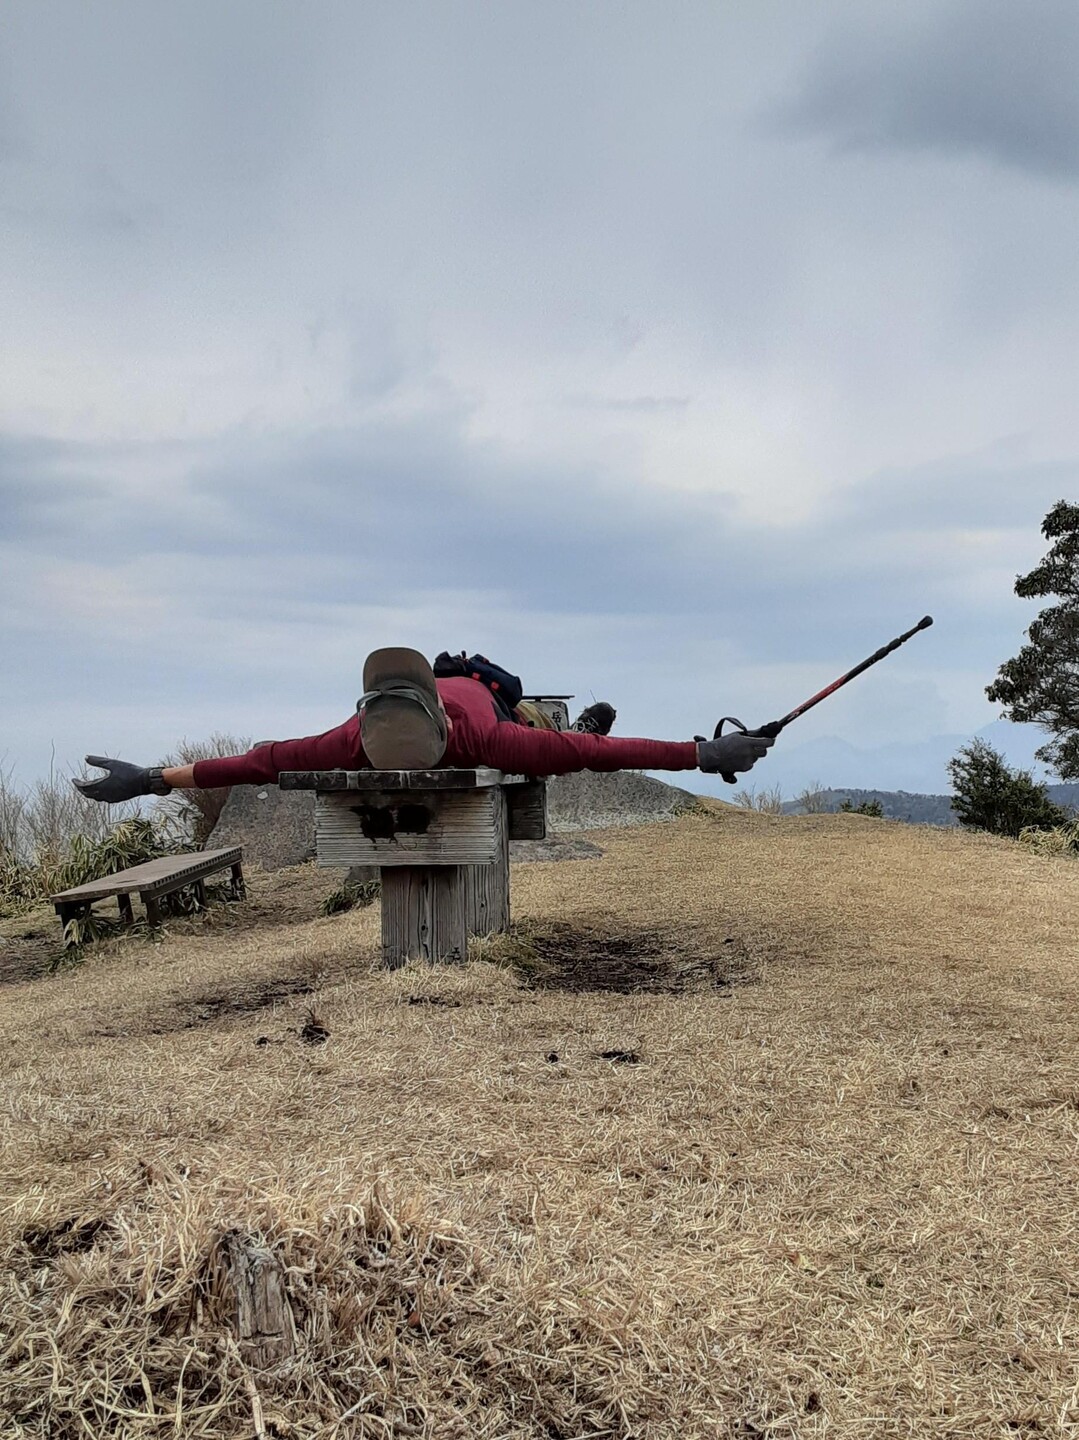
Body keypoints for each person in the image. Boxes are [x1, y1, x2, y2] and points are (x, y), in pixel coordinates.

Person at [74, 647, 774, 803]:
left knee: (557, 739)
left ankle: (568, 717)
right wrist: (702, 753)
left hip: (493, 701)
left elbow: (262, 760)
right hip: (491, 711)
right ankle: (568, 720)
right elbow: (603, 754)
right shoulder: (369, 738)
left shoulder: (357, 741)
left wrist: (155, 779)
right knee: (561, 745)